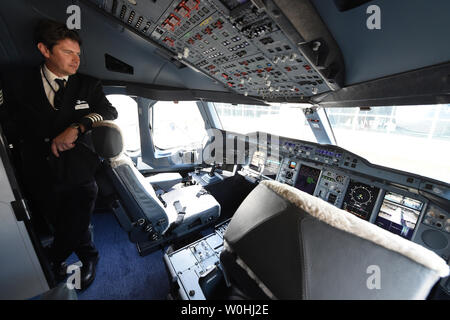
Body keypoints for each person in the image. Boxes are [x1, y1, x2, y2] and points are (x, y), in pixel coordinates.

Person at [0, 19, 118, 290]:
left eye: (78, 54)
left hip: (80, 169)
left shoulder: (89, 85)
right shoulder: (17, 82)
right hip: (38, 170)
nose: (76, 60)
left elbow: (109, 112)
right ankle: (63, 256)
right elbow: (6, 119)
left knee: (78, 221)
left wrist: (78, 127)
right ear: (44, 50)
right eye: (68, 52)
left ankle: (76, 258)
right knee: (58, 221)